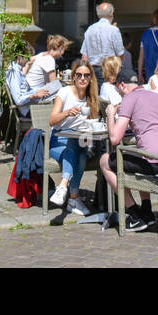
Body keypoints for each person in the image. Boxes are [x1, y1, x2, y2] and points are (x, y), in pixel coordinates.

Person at [99, 85, 158, 231]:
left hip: (156, 166)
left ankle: (135, 214)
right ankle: (147, 211)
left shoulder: (129, 98)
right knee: (139, 153)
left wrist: (110, 115)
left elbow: (114, 139)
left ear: (122, 85)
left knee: (104, 160)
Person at [47, 57, 100, 215]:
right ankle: (72, 196)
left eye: (86, 75)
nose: (82, 78)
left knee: (80, 149)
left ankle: (65, 188)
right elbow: (51, 120)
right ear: (74, 77)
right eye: (79, 75)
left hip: (82, 141)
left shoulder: (91, 98)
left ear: (91, 78)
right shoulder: (64, 92)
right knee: (78, 150)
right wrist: (67, 113)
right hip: (58, 142)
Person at [81, 2, 124, 82]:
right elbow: (120, 54)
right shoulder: (114, 30)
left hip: (93, 70)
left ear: (98, 14)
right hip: (110, 71)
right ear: (111, 13)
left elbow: (84, 57)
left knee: (94, 94)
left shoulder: (90, 29)